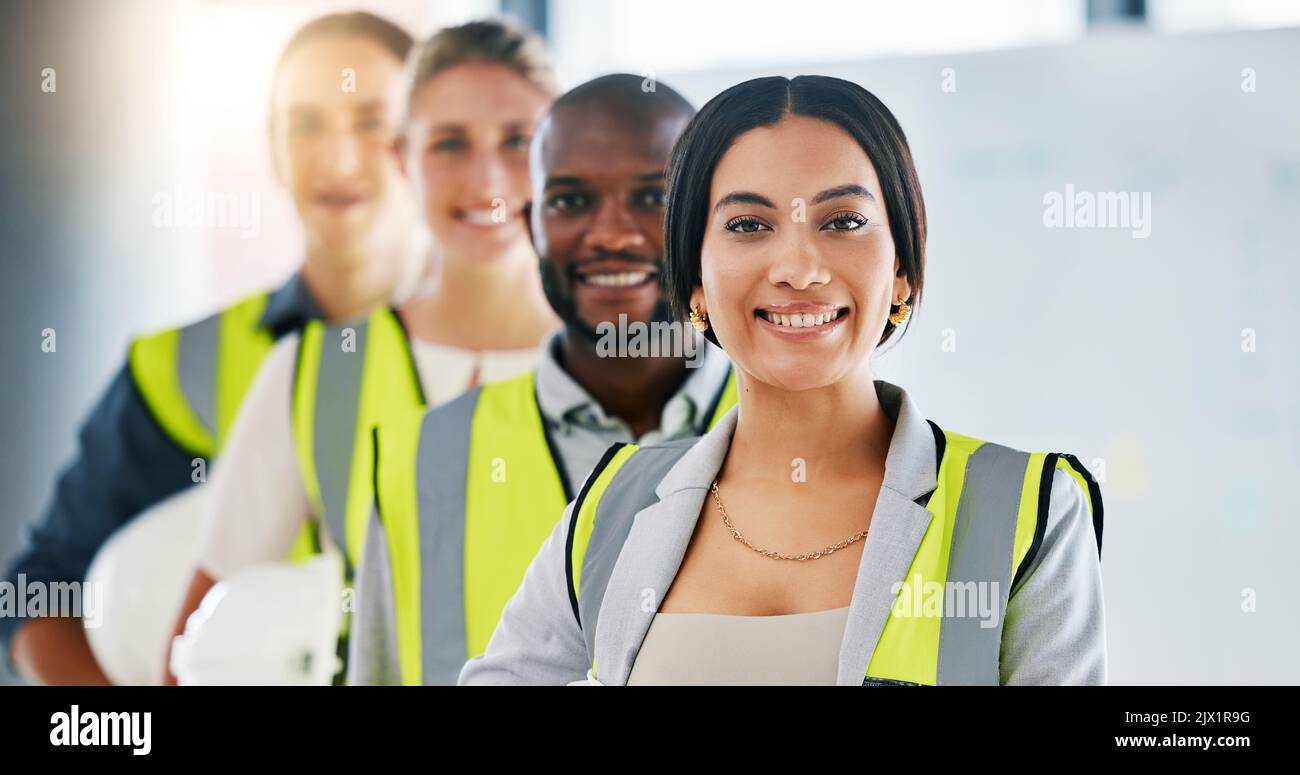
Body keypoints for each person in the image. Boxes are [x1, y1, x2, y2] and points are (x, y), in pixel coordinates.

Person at [459, 75, 1106, 686]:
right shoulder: (613, 505)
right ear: (695, 285)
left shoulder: (1027, 509)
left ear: (903, 269)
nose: (798, 267)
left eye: (843, 221)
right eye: (748, 225)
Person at [1, 11, 418, 685]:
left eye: (372, 120)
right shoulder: (181, 368)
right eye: (306, 124)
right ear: (273, 149)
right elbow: (40, 591)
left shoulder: (503, 356)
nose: (339, 156)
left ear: (424, 141)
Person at [163, 19, 561, 683]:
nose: (486, 176)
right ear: (403, 157)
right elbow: (193, 650)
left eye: (518, 141)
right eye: (450, 143)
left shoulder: (631, 371)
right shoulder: (311, 373)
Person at [348, 74, 738, 685]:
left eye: (652, 198)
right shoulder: (422, 461)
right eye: (572, 201)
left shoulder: (810, 436)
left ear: (709, 219)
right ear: (530, 224)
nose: (612, 234)